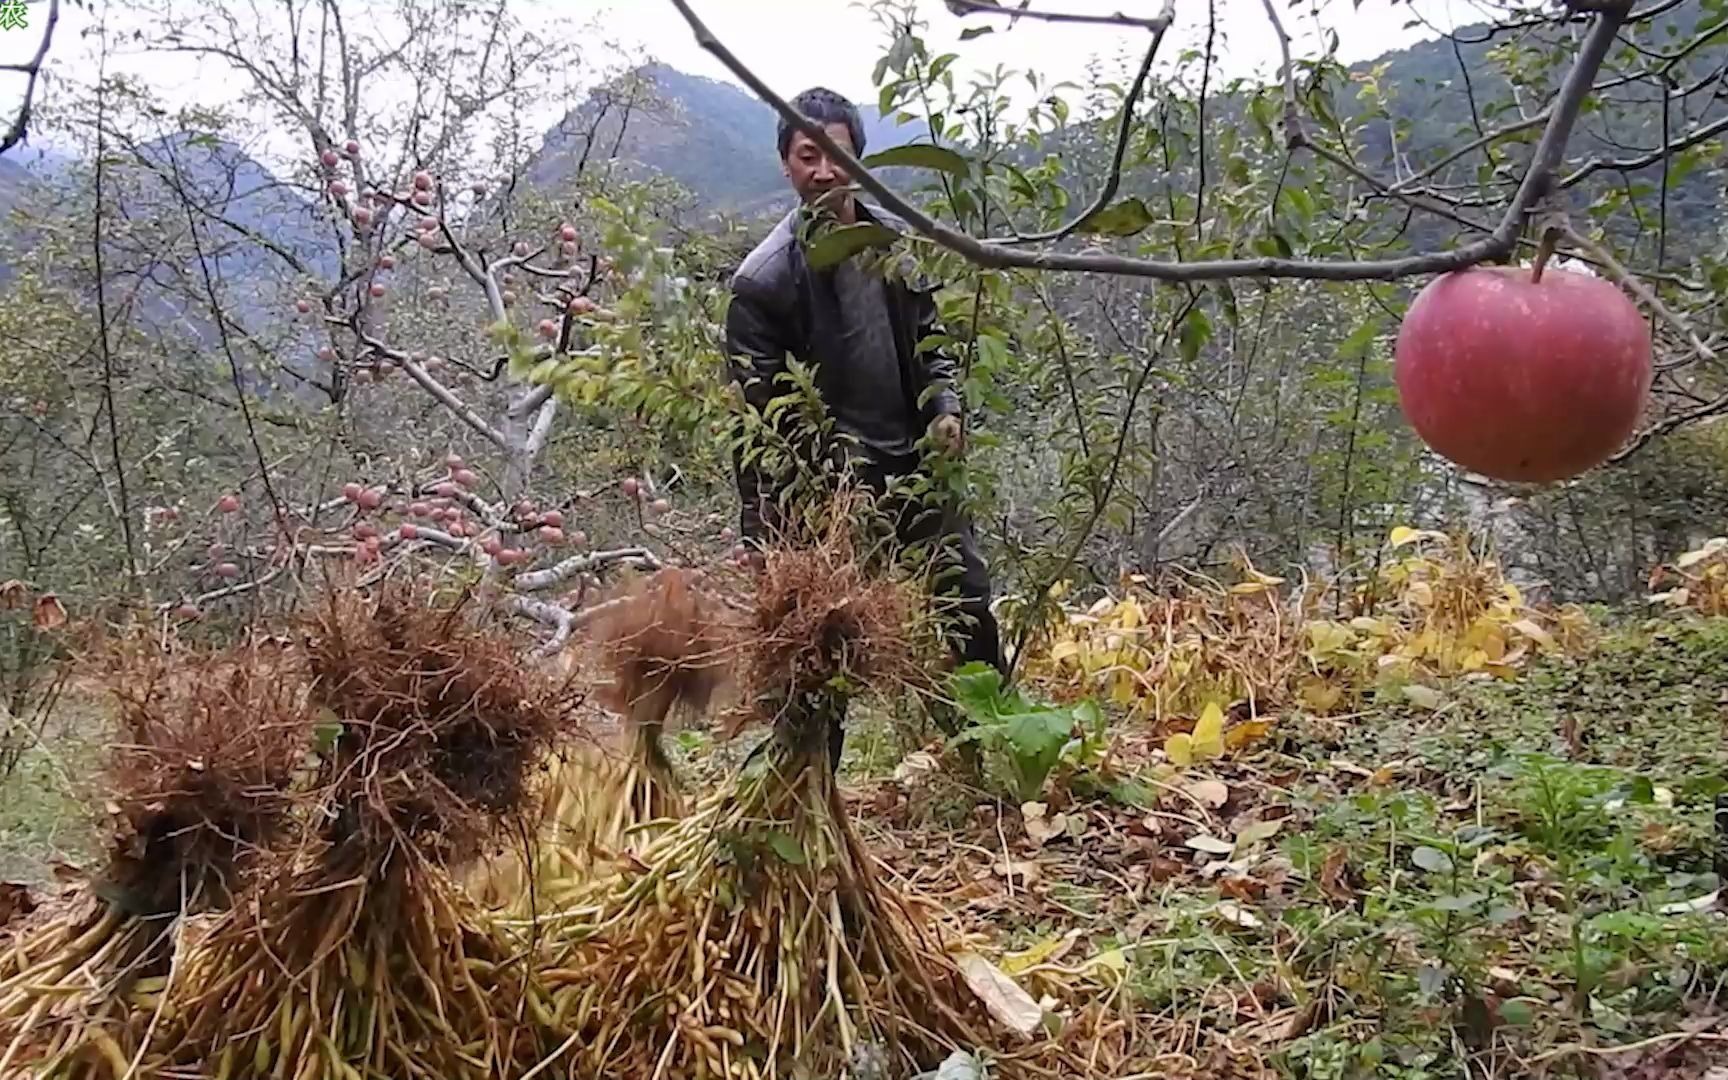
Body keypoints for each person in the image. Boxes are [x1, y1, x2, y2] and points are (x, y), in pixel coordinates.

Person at [723, 87, 1004, 758]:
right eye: (808, 156)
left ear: (863, 163)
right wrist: (773, 542)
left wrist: (945, 408)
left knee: (965, 601)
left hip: (914, 471)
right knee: (823, 648)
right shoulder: (763, 283)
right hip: (832, 495)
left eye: (839, 156)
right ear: (787, 164)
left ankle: (992, 751)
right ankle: (811, 788)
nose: (824, 171)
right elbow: (757, 431)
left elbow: (932, 345)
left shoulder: (896, 248)